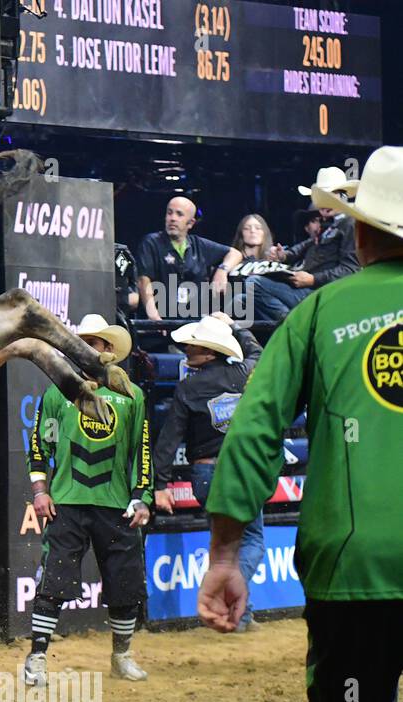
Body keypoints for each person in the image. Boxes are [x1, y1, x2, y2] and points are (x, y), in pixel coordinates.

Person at [200, 146, 403, 702]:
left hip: (353, 568)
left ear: (360, 230)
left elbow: (255, 429)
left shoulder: (318, 314)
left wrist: (225, 552)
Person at [24, 314, 153, 687]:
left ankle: (122, 655)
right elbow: (38, 446)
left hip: (116, 506)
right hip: (67, 503)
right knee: (54, 581)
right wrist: (40, 491)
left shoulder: (132, 397)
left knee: (124, 583)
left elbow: (140, 450)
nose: (82, 351)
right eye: (77, 344)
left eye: (91, 344)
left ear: (107, 350)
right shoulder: (56, 393)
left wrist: (141, 497)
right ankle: (36, 658)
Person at [151, 312, 264, 629]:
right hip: (242, 469)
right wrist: (234, 326)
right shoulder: (245, 372)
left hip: (207, 474)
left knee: (223, 541)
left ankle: (242, 614)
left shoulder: (187, 388)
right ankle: (227, 596)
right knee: (252, 539)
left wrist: (160, 484)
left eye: (194, 345)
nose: (187, 349)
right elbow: (258, 353)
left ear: (210, 351)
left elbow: (169, 439)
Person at [244, 167, 359, 324]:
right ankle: (296, 324)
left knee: (253, 284)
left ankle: (295, 325)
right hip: (309, 290)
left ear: (343, 196)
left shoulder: (350, 224)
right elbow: (306, 245)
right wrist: (284, 255)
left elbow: (350, 269)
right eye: (321, 197)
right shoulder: (329, 225)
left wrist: (313, 279)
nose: (324, 203)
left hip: (323, 293)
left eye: (330, 196)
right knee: (243, 298)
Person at [135, 196, 234, 322]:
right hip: (160, 323)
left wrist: (222, 270)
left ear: (191, 223)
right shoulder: (151, 242)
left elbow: (234, 253)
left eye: (179, 214)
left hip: (192, 323)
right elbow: (144, 281)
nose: (172, 218)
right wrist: (154, 316)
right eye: (169, 213)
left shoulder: (199, 245)